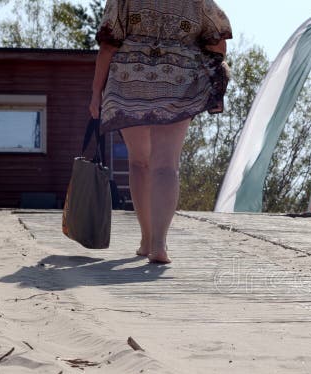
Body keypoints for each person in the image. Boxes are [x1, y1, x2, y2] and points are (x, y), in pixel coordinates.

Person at [89, 0, 232, 264]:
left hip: (130, 81)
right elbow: (217, 40)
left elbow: (109, 42)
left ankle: (145, 239)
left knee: (139, 162)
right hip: (178, 81)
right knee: (166, 165)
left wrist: (96, 93)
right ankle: (159, 244)